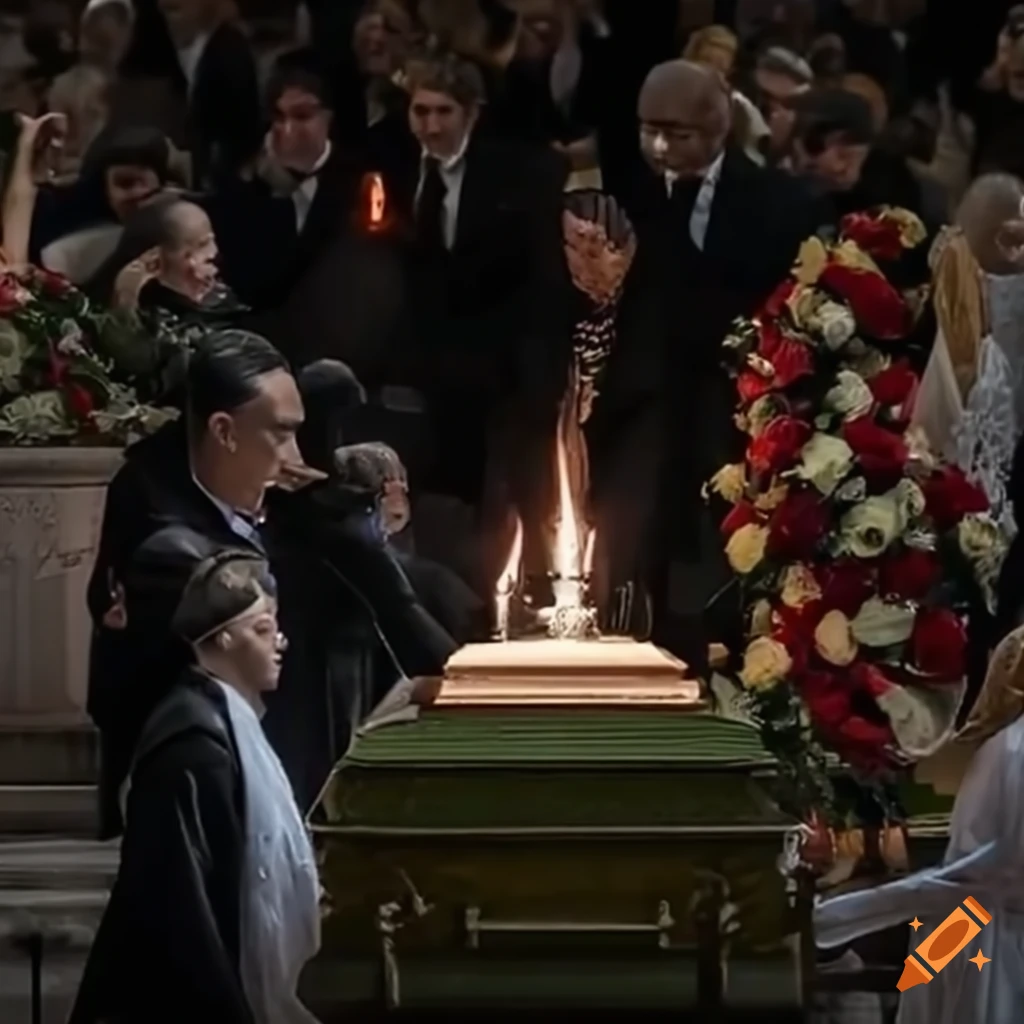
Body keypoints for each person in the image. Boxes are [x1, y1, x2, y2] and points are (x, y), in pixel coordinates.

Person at [619, 57, 817, 673]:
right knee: (645, 548)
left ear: (719, 126)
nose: (659, 145)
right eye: (648, 128)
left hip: (741, 408)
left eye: (677, 133)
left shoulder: (779, 202)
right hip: (647, 409)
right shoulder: (622, 196)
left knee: (735, 551)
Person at [72, 536, 320, 1024]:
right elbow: (183, 911)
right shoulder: (192, 750)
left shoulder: (224, 724)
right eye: (264, 629)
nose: (281, 642)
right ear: (224, 637)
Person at [86, 328, 315, 837]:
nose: (295, 453)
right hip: (190, 778)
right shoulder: (152, 510)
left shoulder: (278, 489)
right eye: (280, 433)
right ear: (224, 432)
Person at [815, 622, 1024, 1024]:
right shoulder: (1008, 749)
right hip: (974, 925)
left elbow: (986, 873)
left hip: (982, 927)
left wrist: (838, 916)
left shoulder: (1009, 750)